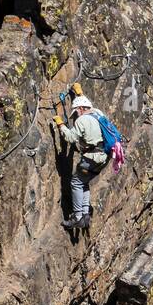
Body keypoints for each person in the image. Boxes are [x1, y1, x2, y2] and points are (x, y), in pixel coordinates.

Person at [55, 94, 107, 230]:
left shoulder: (82, 120)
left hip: (91, 158)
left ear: (81, 108)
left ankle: (78, 217)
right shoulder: (98, 113)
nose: (76, 115)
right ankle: (85, 214)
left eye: (77, 112)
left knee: (76, 182)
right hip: (104, 157)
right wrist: (79, 94)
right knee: (84, 181)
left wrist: (61, 125)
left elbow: (71, 138)